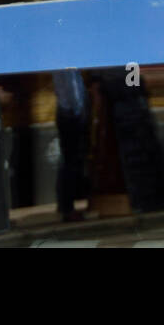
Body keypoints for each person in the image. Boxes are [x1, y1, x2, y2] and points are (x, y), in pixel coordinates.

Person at [52, 69, 90, 220]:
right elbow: (71, 90)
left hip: (71, 112)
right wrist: (78, 111)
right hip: (70, 113)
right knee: (70, 160)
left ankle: (68, 205)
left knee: (73, 159)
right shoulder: (64, 66)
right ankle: (66, 208)